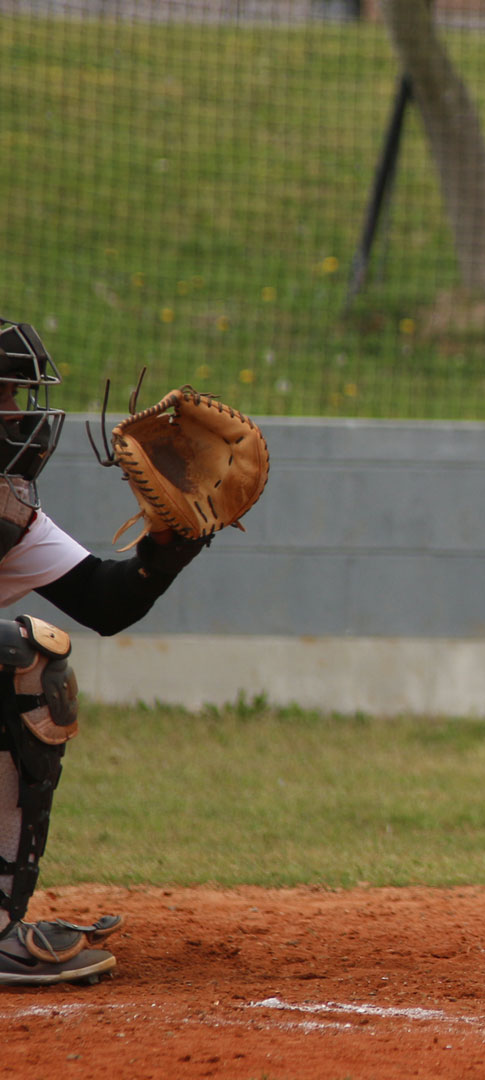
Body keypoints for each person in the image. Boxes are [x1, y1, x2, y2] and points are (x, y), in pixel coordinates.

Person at [0, 317, 210, 986]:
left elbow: (104, 602)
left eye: (18, 395)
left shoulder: (6, 509)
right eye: (3, 396)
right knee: (18, 657)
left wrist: (167, 548)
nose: (19, 414)